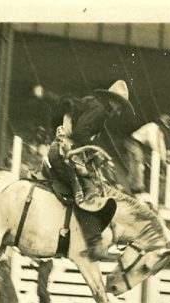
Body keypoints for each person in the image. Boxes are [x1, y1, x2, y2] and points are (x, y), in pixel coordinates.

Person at [46, 80, 135, 260]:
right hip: (65, 151)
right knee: (88, 191)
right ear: (112, 100)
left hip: (66, 150)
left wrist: (92, 153)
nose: (118, 110)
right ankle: (92, 241)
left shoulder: (93, 105)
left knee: (90, 185)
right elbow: (80, 133)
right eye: (118, 104)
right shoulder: (100, 110)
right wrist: (94, 151)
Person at [122, 114, 170, 196]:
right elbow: (153, 142)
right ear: (160, 123)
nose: (164, 128)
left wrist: (164, 160)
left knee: (137, 166)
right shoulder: (153, 127)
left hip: (139, 145)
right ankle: (137, 187)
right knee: (138, 165)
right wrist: (157, 153)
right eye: (164, 126)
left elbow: (162, 146)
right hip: (133, 142)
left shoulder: (160, 133)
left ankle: (131, 188)